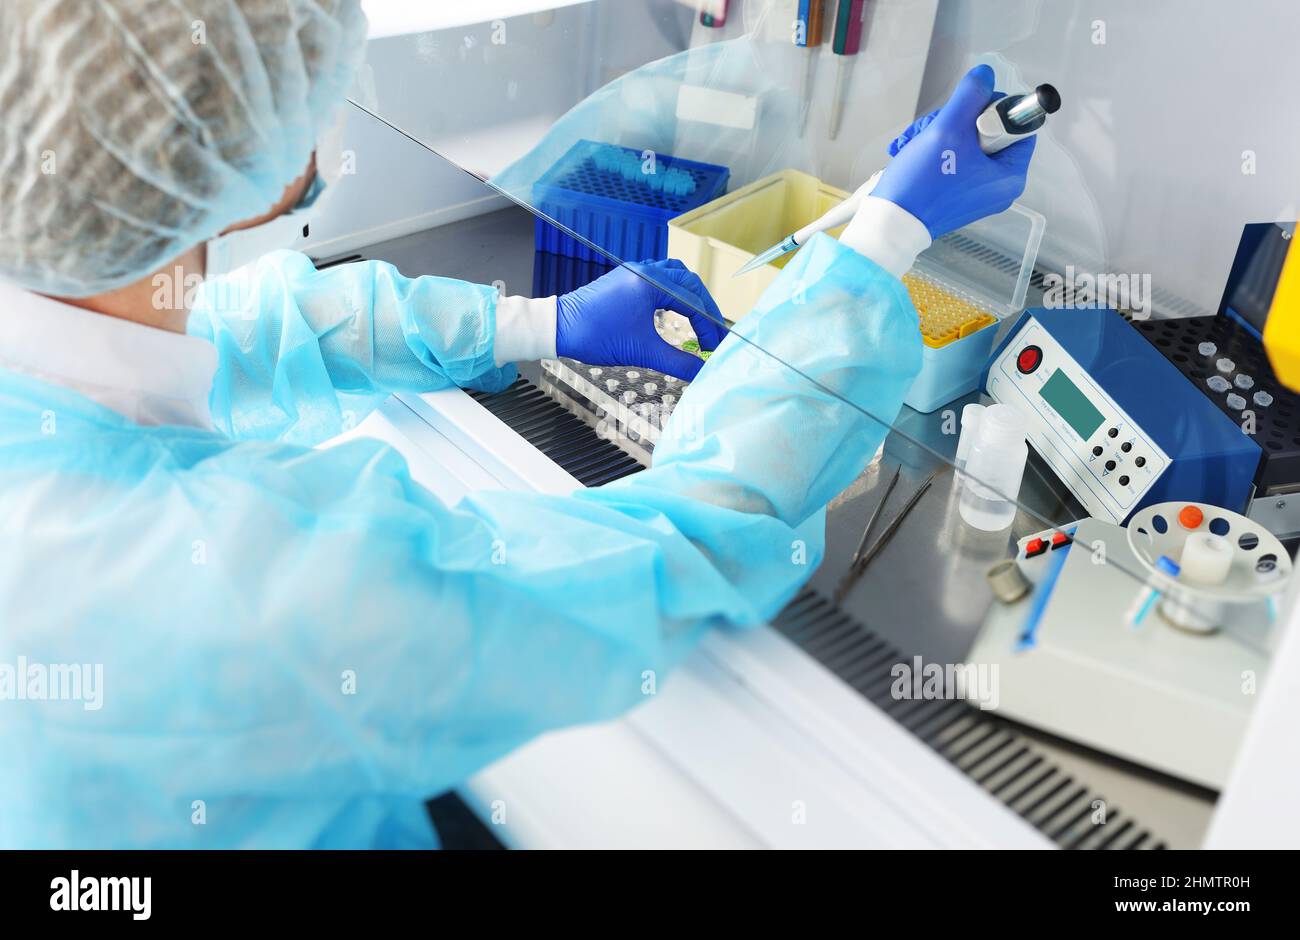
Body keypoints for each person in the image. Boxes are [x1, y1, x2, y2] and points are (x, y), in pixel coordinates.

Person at [0, 0, 1034, 848]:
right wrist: (881, 238)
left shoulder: (49, 348)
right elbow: (674, 546)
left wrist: (543, 323)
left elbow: (235, 331)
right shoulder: (247, 595)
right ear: (219, 142)